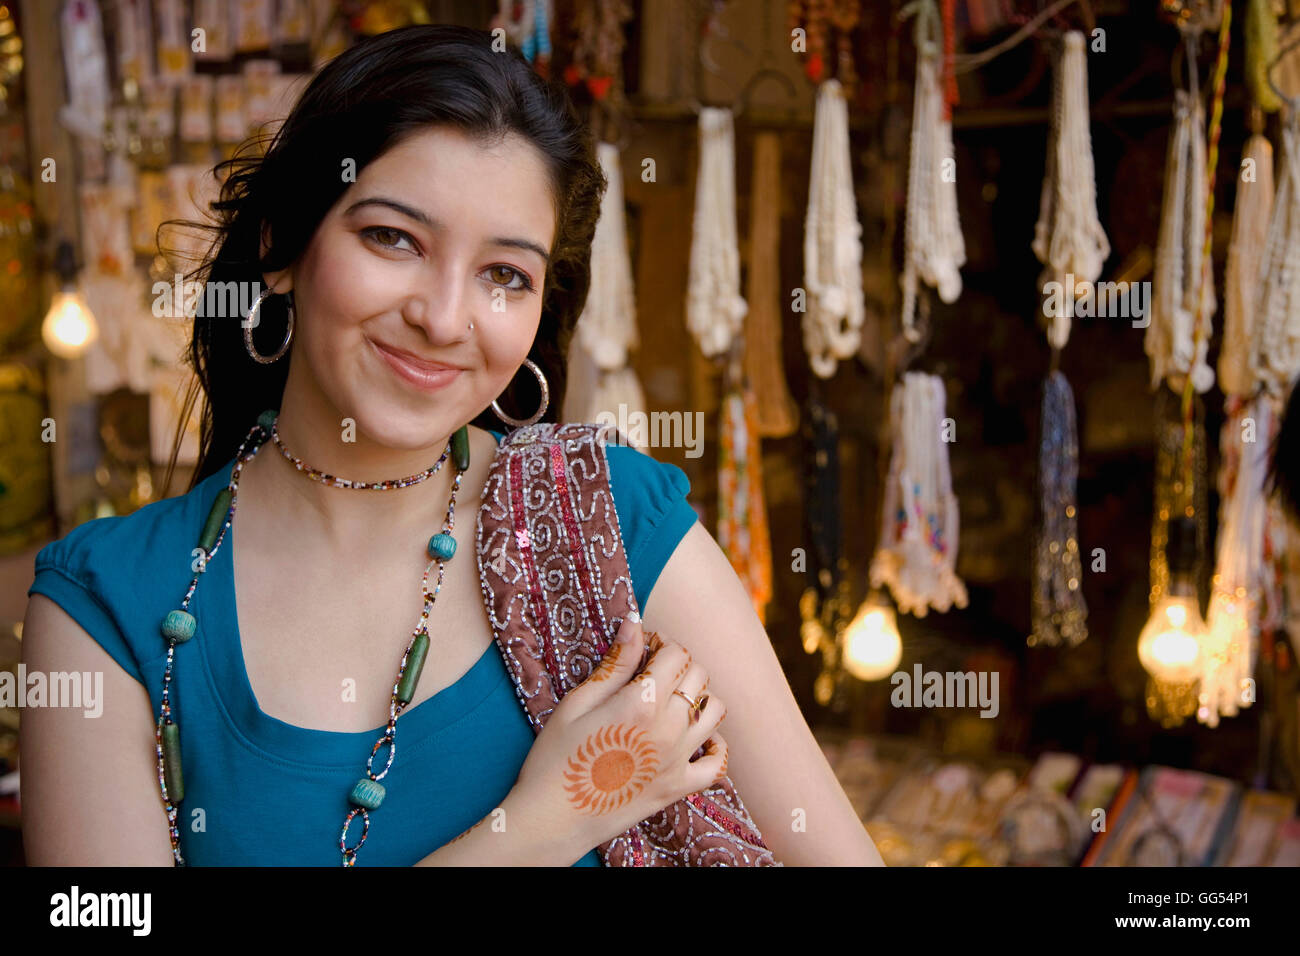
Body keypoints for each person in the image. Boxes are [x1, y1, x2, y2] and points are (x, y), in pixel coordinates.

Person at [20, 24, 882, 866]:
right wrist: (547, 823)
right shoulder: (104, 607)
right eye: (392, 238)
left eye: (505, 275)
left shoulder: (608, 524)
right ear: (282, 244)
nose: (441, 317)